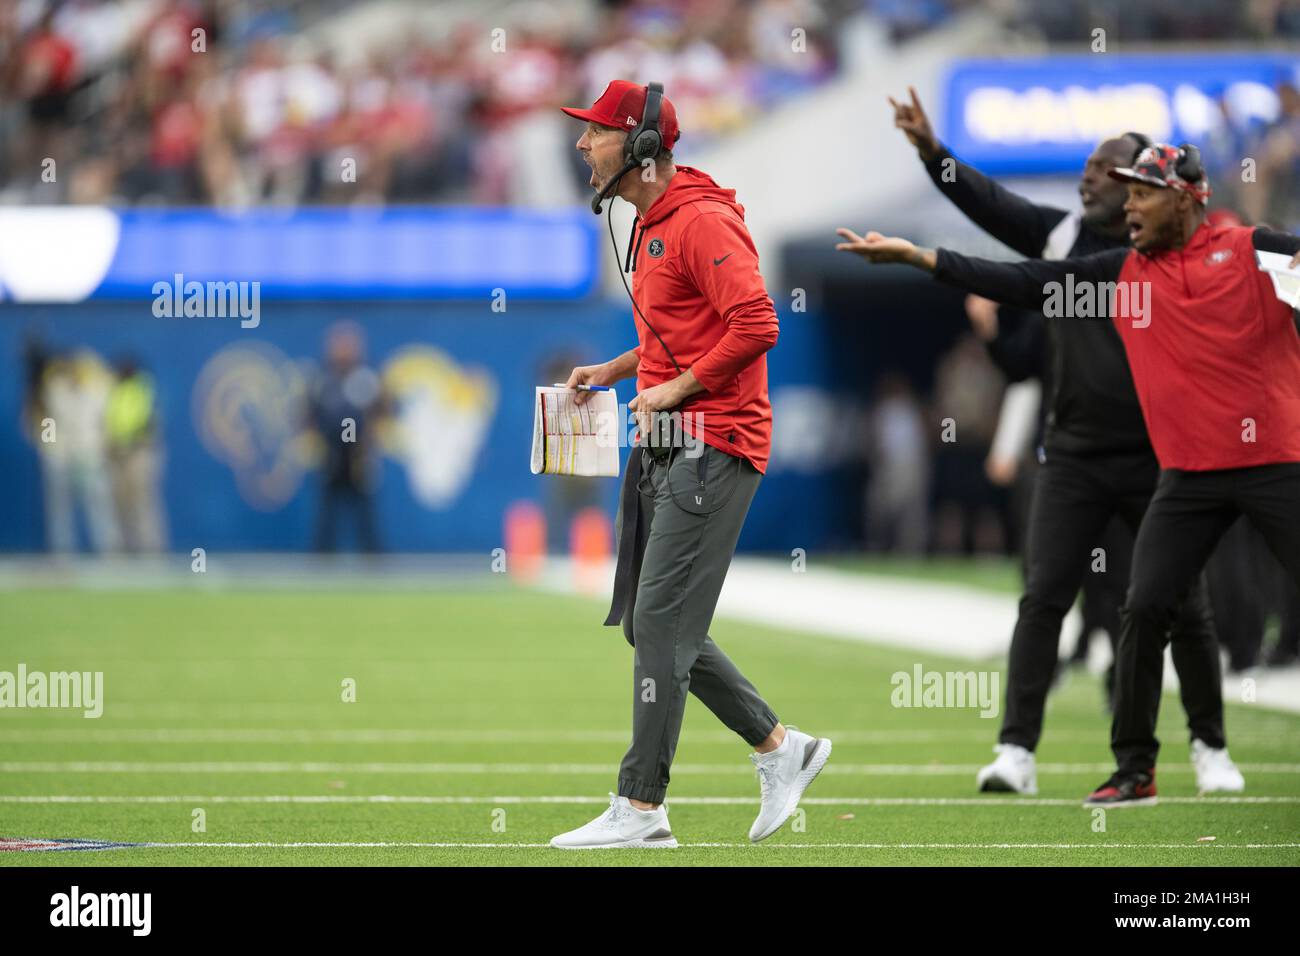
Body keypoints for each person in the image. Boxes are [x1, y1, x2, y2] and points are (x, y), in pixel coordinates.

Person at [835, 141, 1300, 806]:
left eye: (1144, 191)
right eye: (1129, 191)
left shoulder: (1255, 246)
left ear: (1187, 198)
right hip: (1181, 472)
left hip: (1272, 459)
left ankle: (1207, 746)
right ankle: (1127, 766)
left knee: (1184, 610)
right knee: (1139, 607)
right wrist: (923, 259)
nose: (1132, 202)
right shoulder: (1125, 270)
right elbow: (1026, 283)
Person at [888, 88, 1237, 794]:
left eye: (1105, 169)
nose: (1087, 178)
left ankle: (1210, 747)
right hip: (1073, 453)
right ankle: (1016, 750)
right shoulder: (1059, 239)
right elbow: (989, 207)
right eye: (1086, 166)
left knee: (1183, 603)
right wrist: (933, 153)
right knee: (1043, 596)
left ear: (1145, 185)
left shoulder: (1167, 255)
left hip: (1157, 455)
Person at [549, 80, 830, 849]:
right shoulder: (655, 221)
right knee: (652, 624)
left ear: (640, 148)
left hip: (714, 442)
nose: (581, 145)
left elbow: (758, 323)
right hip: (673, 441)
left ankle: (641, 807)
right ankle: (782, 748)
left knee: (662, 624)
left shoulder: (700, 221)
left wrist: (672, 388)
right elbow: (680, 331)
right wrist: (614, 371)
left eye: (596, 132)